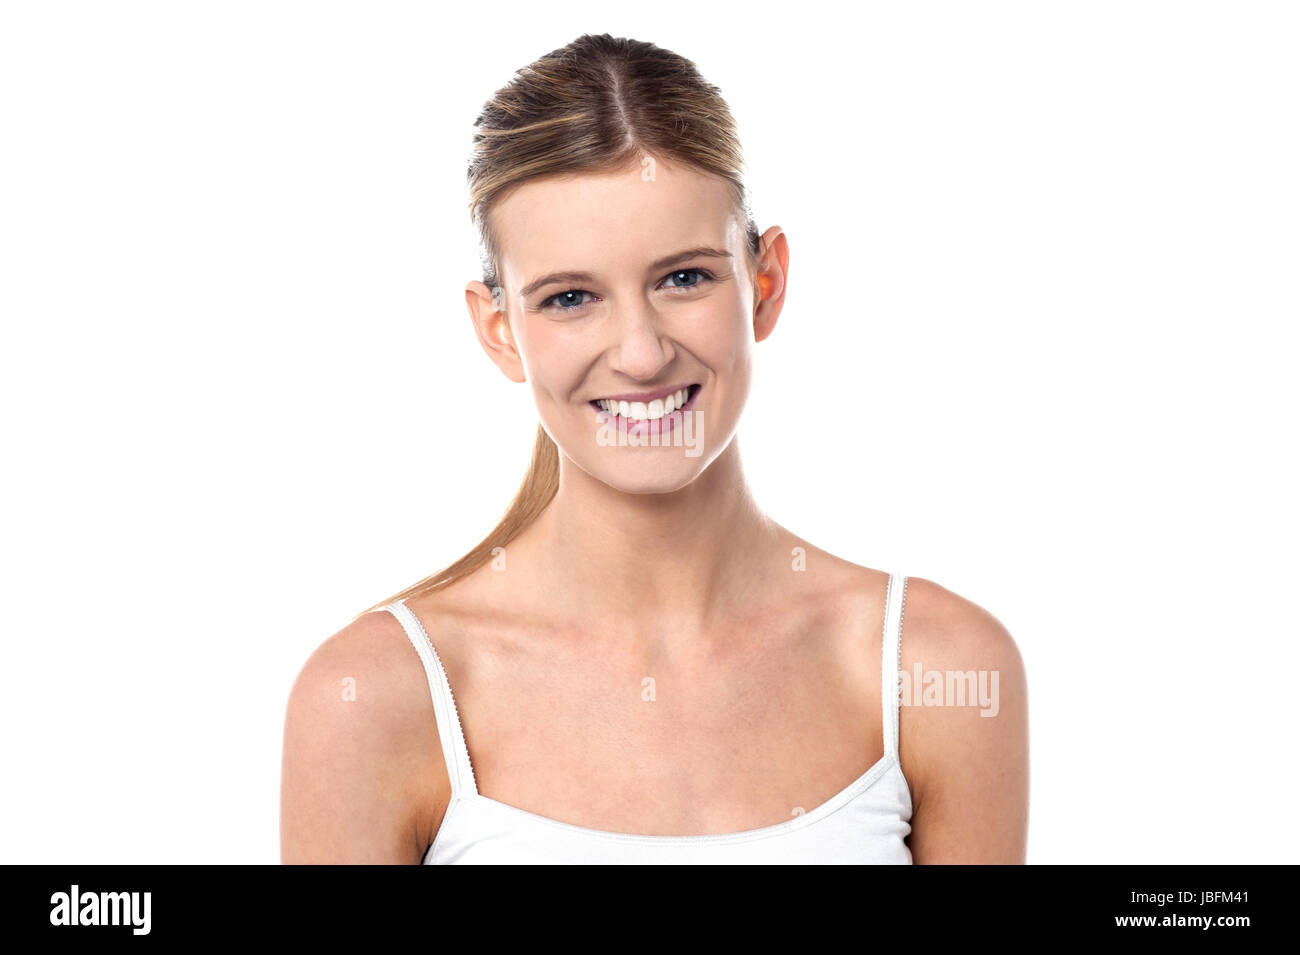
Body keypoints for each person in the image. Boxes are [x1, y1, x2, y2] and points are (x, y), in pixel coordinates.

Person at [280, 32, 1029, 864]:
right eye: (570, 297)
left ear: (766, 283)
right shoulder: (376, 699)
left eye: (684, 278)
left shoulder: (937, 672)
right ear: (500, 333)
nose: (640, 354)